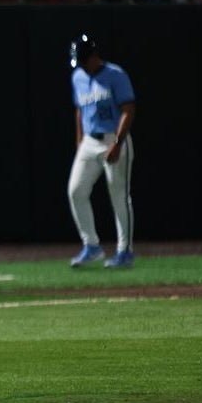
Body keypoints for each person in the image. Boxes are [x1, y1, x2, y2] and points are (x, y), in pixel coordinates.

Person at [66, 34, 136, 269]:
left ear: (95, 56)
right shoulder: (78, 77)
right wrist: (80, 142)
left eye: (86, 60)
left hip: (112, 138)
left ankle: (124, 251)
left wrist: (117, 142)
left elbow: (128, 108)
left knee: (119, 197)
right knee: (76, 190)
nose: (83, 66)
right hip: (89, 141)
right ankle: (92, 246)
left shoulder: (115, 74)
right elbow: (79, 110)